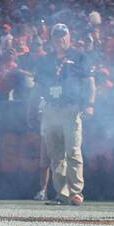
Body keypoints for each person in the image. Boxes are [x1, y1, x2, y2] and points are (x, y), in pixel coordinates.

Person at [39, 27, 95, 205]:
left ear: (69, 37)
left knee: (72, 151)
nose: (60, 40)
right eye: (56, 36)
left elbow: (90, 83)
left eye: (63, 36)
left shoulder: (80, 58)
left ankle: (76, 192)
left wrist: (90, 104)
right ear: (52, 39)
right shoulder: (45, 60)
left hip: (71, 109)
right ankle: (61, 194)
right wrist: (34, 106)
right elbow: (38, 87)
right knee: (56, 154)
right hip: (51, 109)